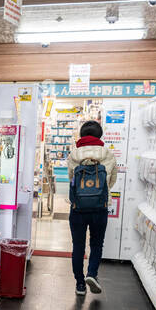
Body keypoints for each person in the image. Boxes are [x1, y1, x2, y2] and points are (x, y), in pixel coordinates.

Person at [66, 119, 118, 296]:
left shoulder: (74, 154)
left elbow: (71, 178)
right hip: (99, 207)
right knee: (97, 243)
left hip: (78, 207)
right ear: (99, 135)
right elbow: (111, 181)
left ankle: (80, 284)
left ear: (81, 135)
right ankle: (92, 274)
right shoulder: (108, 154)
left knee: (78, 245)